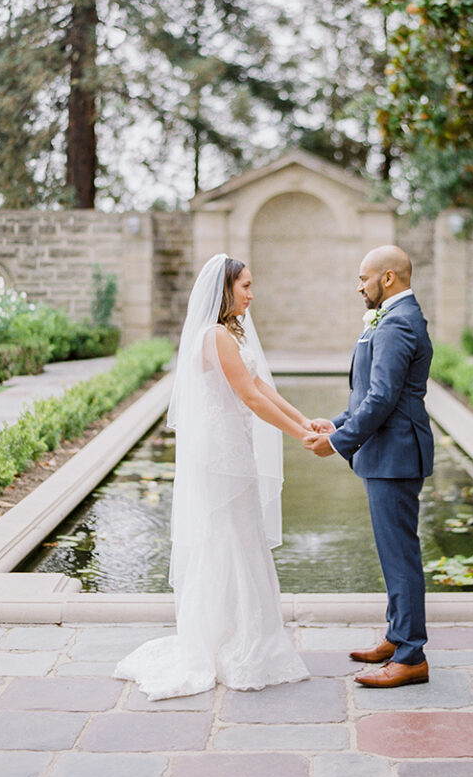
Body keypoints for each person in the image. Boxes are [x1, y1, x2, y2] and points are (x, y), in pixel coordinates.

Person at [115, 253, 310, 698]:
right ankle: (230, 640)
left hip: (230, 452)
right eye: (246, 286)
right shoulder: (217, 336)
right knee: (229, 537)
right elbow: (250, 398)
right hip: (222, 459)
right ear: (226, 289)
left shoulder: (226, 333)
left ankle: (235, 633)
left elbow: (261, 387)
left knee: (239, 536)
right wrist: (301, 435)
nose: (252, 294)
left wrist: (305, 420)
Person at [305, 245, 434, 689]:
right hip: (387, 453)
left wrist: (337, 443)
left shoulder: (397, 322)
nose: (359, 286)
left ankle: (411, 656)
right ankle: (398, 638)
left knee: (400, 556)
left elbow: (383, 398)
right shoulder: (394, 317)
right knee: (393, 553)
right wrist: (337, 423)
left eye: (364, 278)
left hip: (395, 455)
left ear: (388, 278)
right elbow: (370, 394)